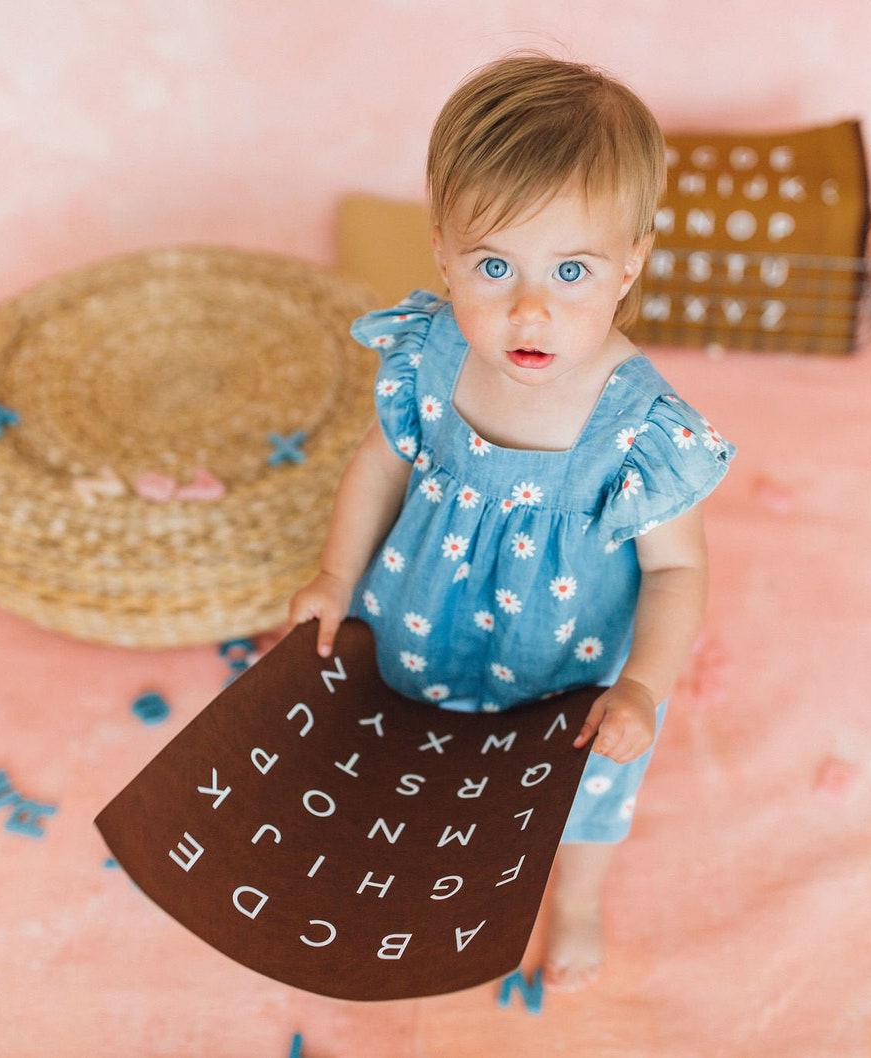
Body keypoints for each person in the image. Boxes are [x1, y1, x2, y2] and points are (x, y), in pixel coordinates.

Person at [289, 52, 735, 992]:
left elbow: (677, 574)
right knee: (421, 751)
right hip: (425, 623)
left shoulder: (638, 428)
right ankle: (418, 854)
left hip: (569, 675)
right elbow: (377, 464)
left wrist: (644, 690)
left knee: (581, 798)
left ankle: (573, 897)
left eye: (571, 269)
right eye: (495, 264)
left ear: (630, 266)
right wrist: (335, 576)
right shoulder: (434, 351)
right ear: (444, 251)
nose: (529, 308)